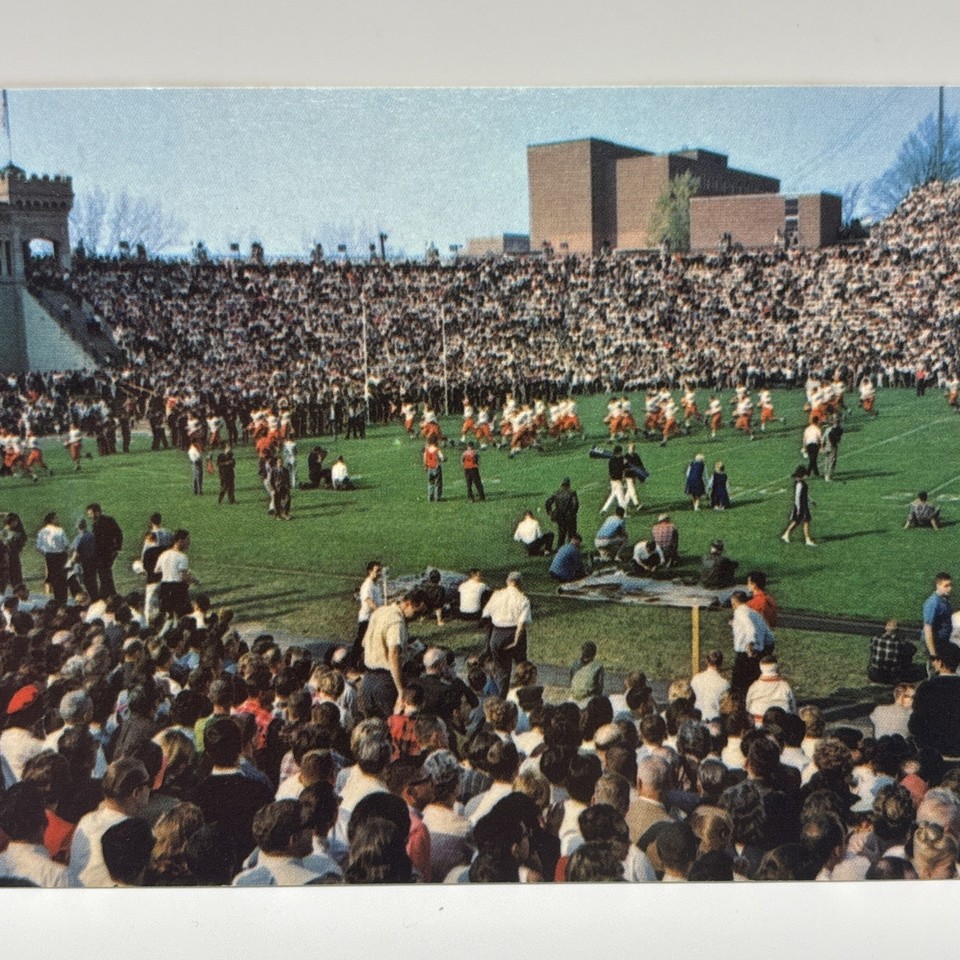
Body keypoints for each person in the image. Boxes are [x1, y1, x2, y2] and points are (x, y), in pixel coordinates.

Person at [358, 589, 430, 719]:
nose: (417, 618)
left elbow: (364, 643)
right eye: (417, 613)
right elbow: (393, 655)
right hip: (385, 682)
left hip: (367, 680)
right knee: (390, 725)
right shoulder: (397, 622)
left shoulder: (380, 611)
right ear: (408, 603)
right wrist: (401, 690)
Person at [482, 571, 532, 696]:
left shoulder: (497, 595)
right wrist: (516, 639)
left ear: (507, 582)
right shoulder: (523, 599)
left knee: (502, 671)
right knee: (522, 667)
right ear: (519, 584)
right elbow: (522, 623)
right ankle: (524, 694)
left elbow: (486, 614)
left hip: (497, 634)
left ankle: (501, 699)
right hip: (514, 632)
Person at [909, 644, 960, 762]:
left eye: (933, 659)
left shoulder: (926, 687)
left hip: (932, 751)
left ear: (940, 662)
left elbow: (916, 722)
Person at [730, 590, 776, 696]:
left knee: (738, 684)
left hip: (746, 653)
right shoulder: (753, 613)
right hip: (760, 651)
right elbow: (769, 635)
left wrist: (751, 644)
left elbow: (750, 628)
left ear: (734, 601)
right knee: (754, 682)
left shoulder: (740, 612)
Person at [86, 503, 124, 599]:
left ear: (97, 512)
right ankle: (112, 594)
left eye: (90, 513)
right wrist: (117, 548)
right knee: (106, 574)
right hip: (109, 552)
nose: (89, 516)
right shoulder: (109, 520)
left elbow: (97, 542)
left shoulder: (98, 524)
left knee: (104, 576)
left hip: (102, 554)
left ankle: (104, 596)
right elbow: (119, 534)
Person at [157, 529, 195, 623]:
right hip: (178, 589)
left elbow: (157, 570)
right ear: (180, 541)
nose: (189, 543)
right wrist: (194, 580)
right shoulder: (182, 557)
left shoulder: (164, 554)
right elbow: (184, 577)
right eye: (187, 540)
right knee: (183, 617)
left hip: (164, 588)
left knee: (169, 618)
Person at [745, 656, 796, 723]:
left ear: (761, 668)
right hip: (781, 724)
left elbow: (748, 707)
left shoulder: (754, 686)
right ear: (776, 667)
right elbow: (792, 707)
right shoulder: (785, 685)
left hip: (758, 723)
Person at [868, 619, 918, 684]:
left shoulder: (875, 639)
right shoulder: (899, 642)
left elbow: (872, 650)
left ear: (886, 627)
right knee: (906, 655)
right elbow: (913, 649)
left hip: (874, 674)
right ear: (897, 629)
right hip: (891, 676)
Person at [353, 560, 384, 665]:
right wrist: (380, 612)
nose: (379, 573)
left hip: (373, 618)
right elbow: (369, 601)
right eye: (377, 570)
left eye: (380, 570)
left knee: (370, 641)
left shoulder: (375, 584)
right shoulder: (368, 585)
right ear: (370, 571)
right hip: (366, 618)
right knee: (361, 641)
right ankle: (353, 661)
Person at [35, 511, 69, 604]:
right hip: (60, 556)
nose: (57, 520)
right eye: (56, 518)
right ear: (52, 520)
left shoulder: (42, 531)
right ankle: (63, 600)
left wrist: (46, 552)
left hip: (50, 556)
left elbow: (39, 546)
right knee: (62, 578)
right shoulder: (60, 530)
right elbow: (66, 544)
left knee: (53, 578)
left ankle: (56, 598)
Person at [691, 650, 730, 722]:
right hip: (715, 720)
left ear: (707, 661)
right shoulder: (725, 684)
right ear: (721, 663)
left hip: (697, 718)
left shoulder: (695, 679)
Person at [922, 572, 953, 661]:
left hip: (942, 642)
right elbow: (927, 629)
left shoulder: (944, 600)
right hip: (935, 643)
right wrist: (933, 654)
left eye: (950, 585)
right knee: (936, 671)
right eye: (946, 586)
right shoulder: (933, 603)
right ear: (938, 585)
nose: (949, 588)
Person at [780, 466, 815, 546]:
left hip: (803, 505)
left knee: (796, 521)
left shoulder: (802, 483)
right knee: (806, 521)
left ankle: (786, 534)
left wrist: (811, 500)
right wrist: (799, 509)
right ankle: (807, 539)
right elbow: (797, 497)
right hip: (801, 506)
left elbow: (805, 495)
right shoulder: (799, 484)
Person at [545, 477, 579, 546]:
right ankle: (571, 549)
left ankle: (560, 549)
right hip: (570, 517)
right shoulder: (572, 493)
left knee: (561, 535)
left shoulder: (557, 493)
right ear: (569, 484)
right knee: (571, 534)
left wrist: (550, 512)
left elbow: (548, 502)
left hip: (560, 517)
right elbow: (575, 504)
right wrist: (573, 513)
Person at [822, 416, 843, 482]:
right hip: (832, 446)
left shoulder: (827, 429)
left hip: (826, 447)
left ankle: (826, 475)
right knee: (832, 461)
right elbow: (836, 439)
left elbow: (823, 439)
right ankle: (829, 476)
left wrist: (822, 446)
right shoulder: (837, 430)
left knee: (827, 461)